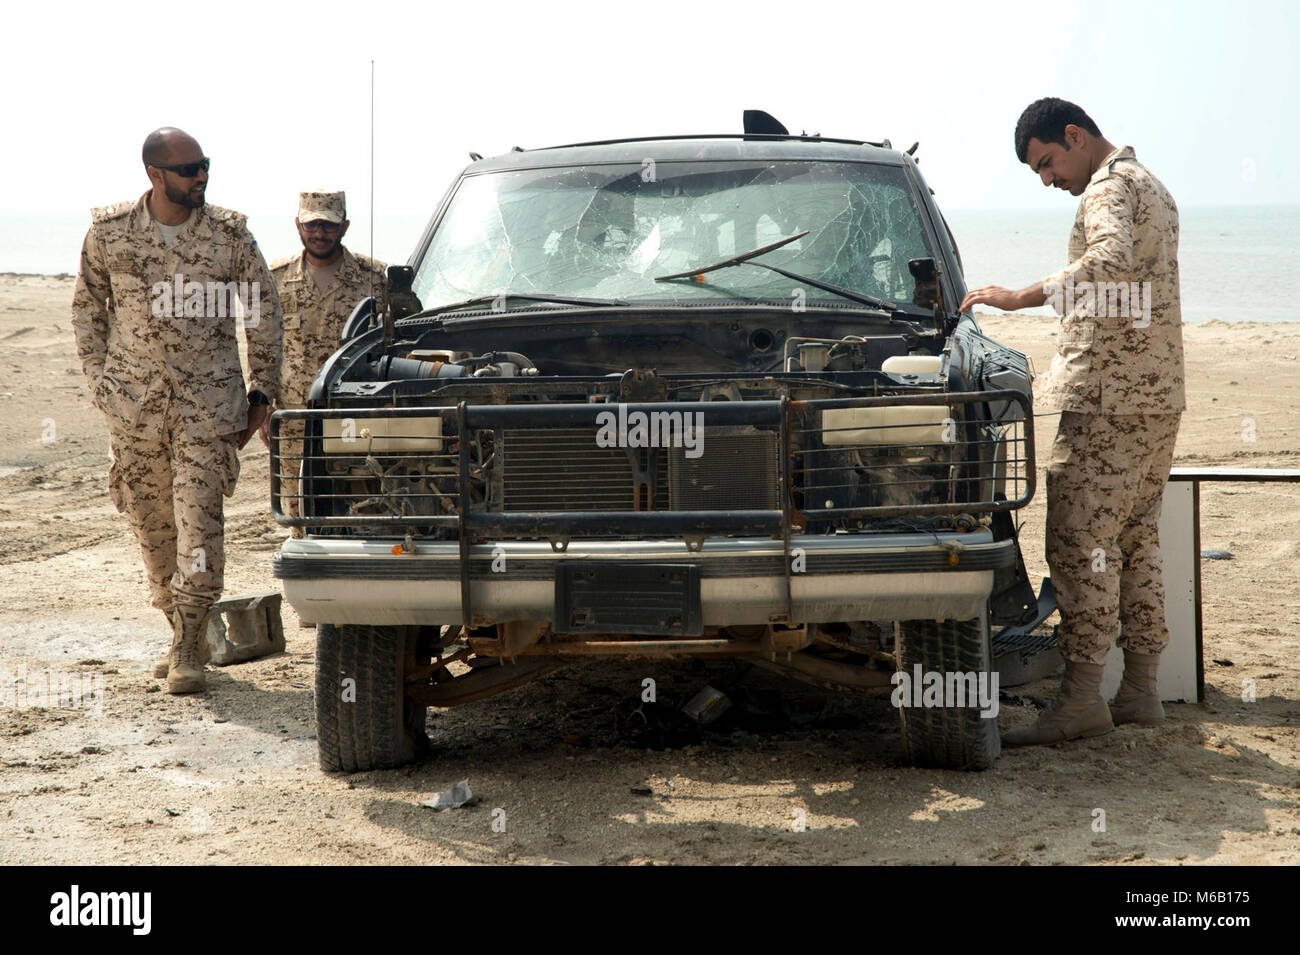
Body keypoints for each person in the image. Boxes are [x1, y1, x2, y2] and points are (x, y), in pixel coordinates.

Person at [960, 98, 1185, 746]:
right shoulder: (1154, 188)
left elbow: (1109, 260)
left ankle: (1083, 699)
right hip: (1157, 394)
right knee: (1137, 538)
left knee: (1080, 542)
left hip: (1110, 398)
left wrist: (1017, 296)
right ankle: (1140, 690)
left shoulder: (1109, 191)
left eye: (1047, 162)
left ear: (1075, 136)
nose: (1048, 179)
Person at [71, 127, 282, 694]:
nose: (202, 177)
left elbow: (261, 310)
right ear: (155, 175)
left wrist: (261, 392)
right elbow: (88, 312)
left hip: (208, 410)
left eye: (205, 165)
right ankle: (176, 628)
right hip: (134, 410)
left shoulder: (229, 233)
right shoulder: (110, 232)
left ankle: (191, 643)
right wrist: (100, 385)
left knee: (199, 528)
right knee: (153, 528)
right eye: (189, 169)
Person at [266, 191, 386, 543]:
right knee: (296, 500)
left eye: (329, 225)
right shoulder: (275, 277)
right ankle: (304, 555)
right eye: (312, 224)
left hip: (353, 407)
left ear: (344, 226)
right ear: (298, 225)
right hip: (293, 412)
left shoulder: (373, 278)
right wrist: (263, 403)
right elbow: (263, 343)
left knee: (361, 490)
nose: (319, 233)